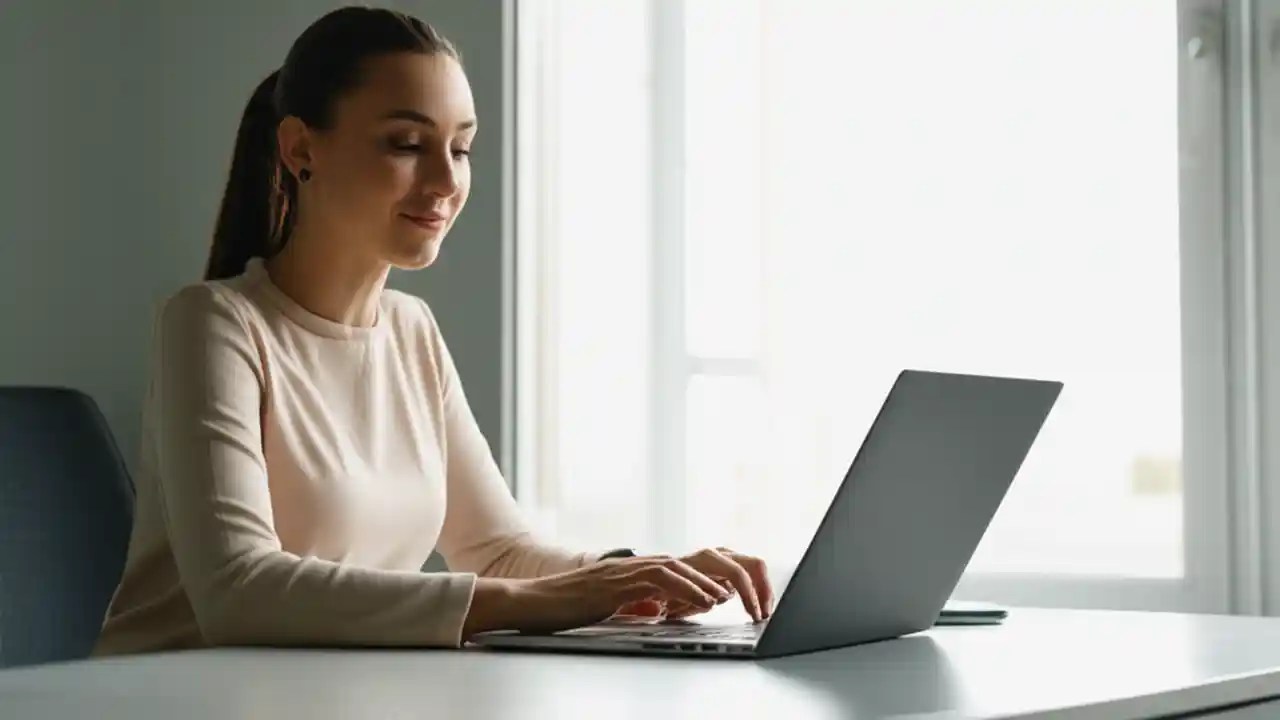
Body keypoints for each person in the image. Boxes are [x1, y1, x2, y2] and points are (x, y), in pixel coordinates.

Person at [93, 6, 773, 656]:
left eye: (462, 147)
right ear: (301, 148)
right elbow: (238, 591)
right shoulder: (213, 324)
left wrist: (641, 576)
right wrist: (541, 600)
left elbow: (498, 551)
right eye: (407, 144)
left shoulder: (412, 330)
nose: (447, 179)